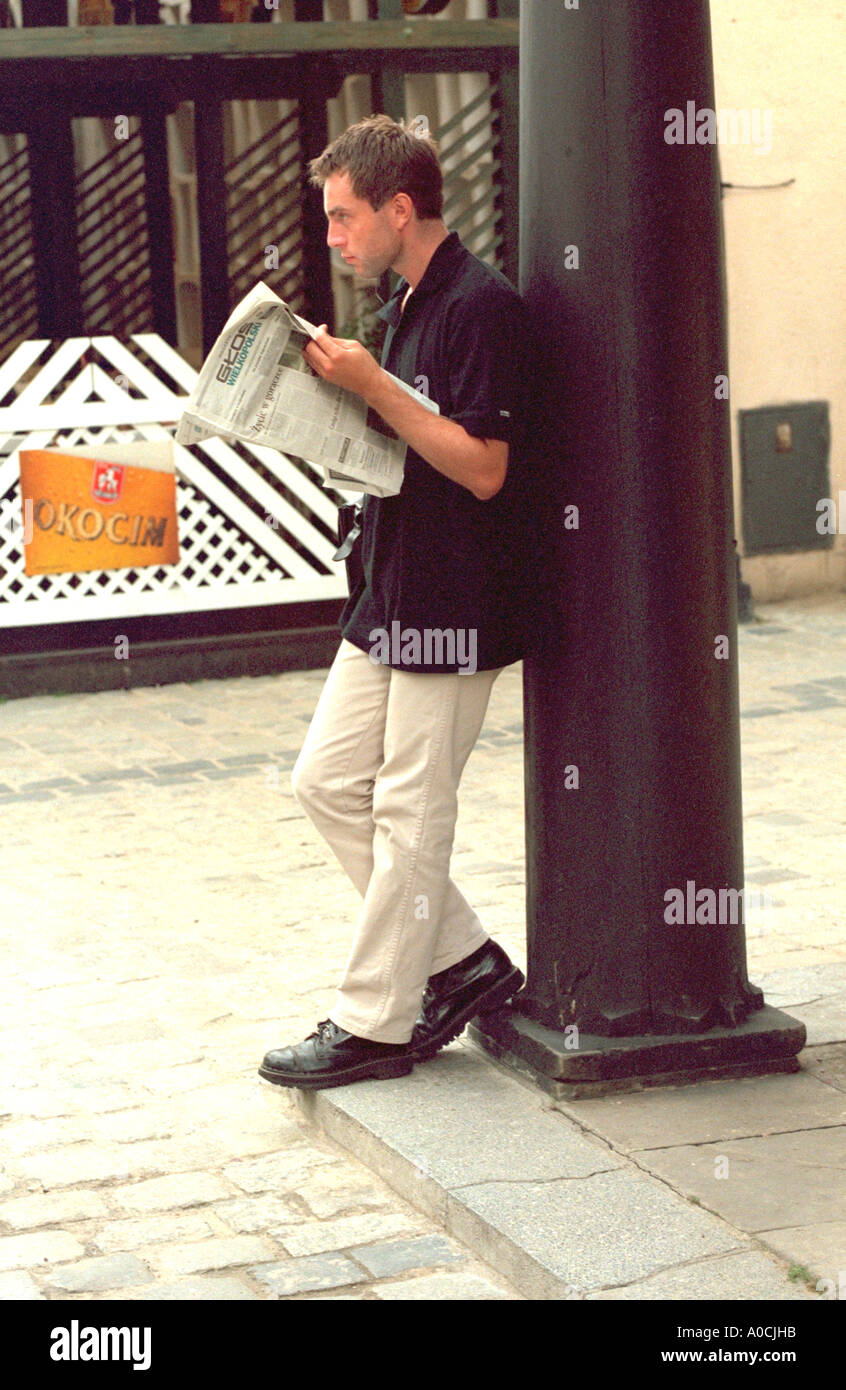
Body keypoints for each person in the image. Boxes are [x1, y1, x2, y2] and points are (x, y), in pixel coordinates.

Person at [259, 115, 532, 1090]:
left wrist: (375, 384)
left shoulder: (481, 305)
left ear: (400, 208)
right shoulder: (401, 302)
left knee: (413, 808)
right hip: (390, 589)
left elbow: (488, 467)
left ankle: (374, 1023)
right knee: (326, 782)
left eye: (343, 217)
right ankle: (463, 960)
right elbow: (401, 443)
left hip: (457, 598)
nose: (332, 236)